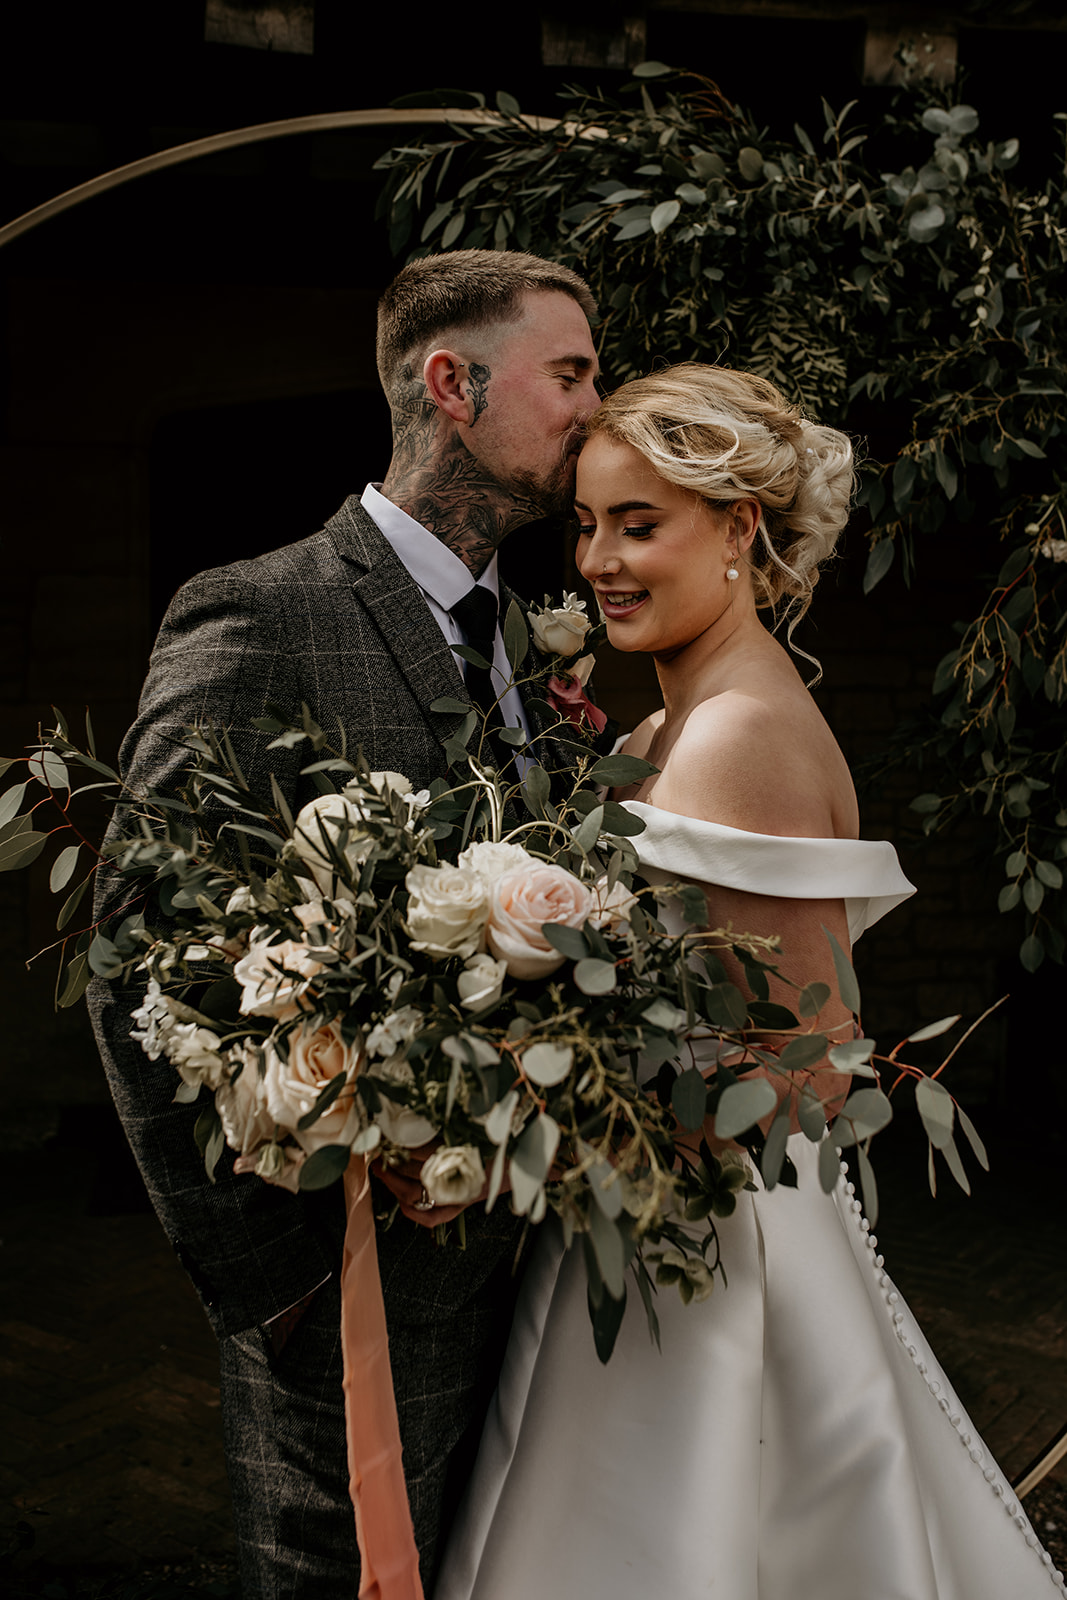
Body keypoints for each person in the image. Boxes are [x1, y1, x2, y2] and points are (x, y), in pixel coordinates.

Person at [435, 364, 1065, 1599]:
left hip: (709, 1249)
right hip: (644, 1217)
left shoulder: (734, 734)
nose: (600, 560)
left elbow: (805, 1063)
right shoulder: (667, 729)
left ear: (738, 530)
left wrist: (531, 1087)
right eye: (586, 523)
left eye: (638, 523)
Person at [88, 248, 601, 1598]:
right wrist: (271, 1286)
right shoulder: (260, 610)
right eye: (569, 374)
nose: (592, 408)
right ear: (451, 383)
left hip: (514, 1289)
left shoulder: (518, 634)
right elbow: (130, 958)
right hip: (341, 1304)